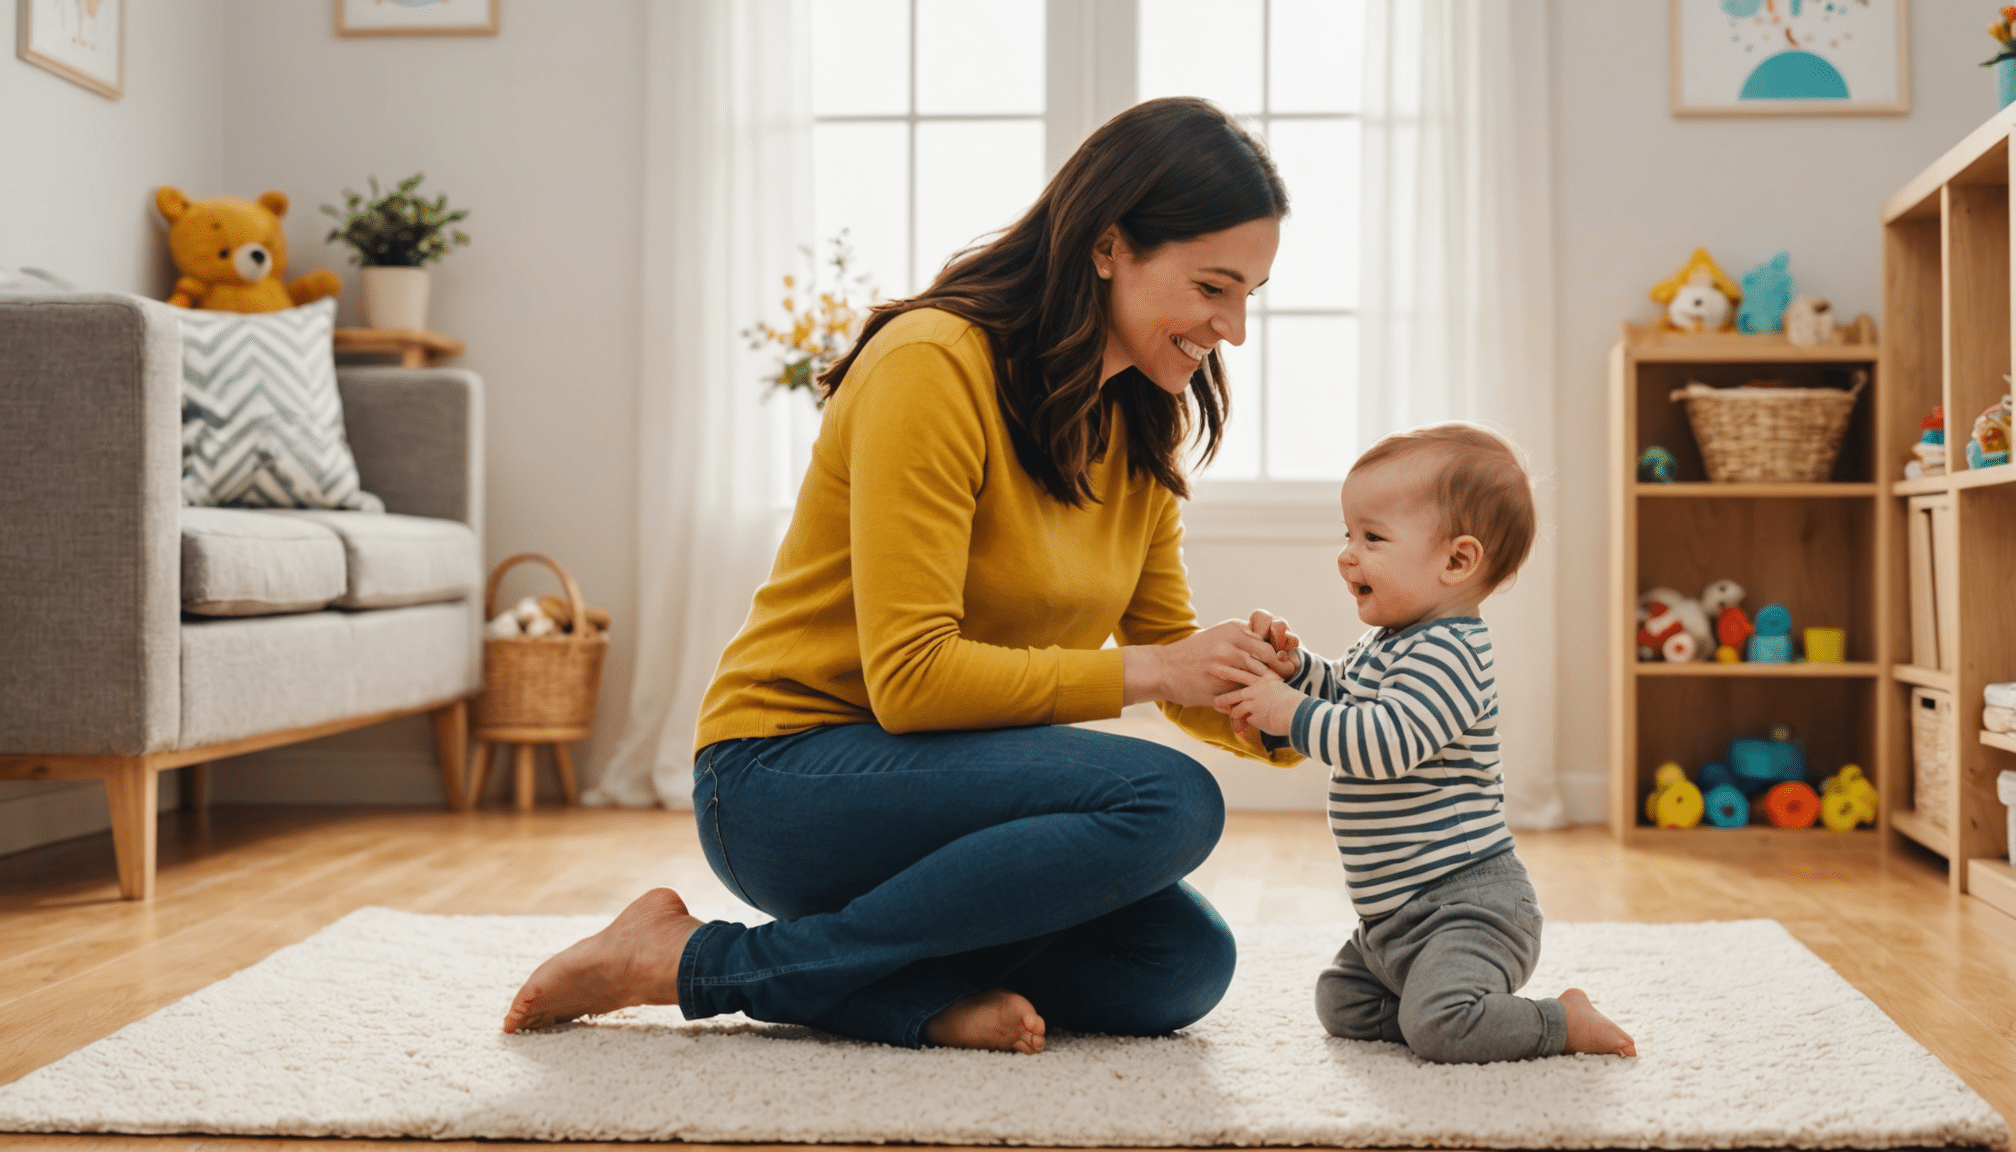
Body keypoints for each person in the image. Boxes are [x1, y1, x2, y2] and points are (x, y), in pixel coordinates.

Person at [501, 97, 1304, 1052]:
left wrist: (1285, 704)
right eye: (1214, 288)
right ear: (1107, 245)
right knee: (1170, 800)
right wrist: (1165, 670)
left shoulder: (1136, 421)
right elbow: (914, 679)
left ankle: (888, 995)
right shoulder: (934, 365)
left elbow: (1162, 647)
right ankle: (694, 965)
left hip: (946, 794)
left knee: (1178, 964)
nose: (1235, 328)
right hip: (784, 775)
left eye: (1249, 294)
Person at [1212, 424, 1639, 1063]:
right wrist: (1297, 671)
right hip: (1393, 917)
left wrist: (1289, 712)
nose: (1348, 555)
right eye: (1347, 535)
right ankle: (1432, 1006)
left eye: (1372, 538)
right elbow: (1349, 697)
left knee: (1444, 1028)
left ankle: (1559, 1021)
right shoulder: (1390, 641)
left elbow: (1385, 742)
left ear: (1457, 561)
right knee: (1341, 1004)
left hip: (1466, 905)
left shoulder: (1451, 652)